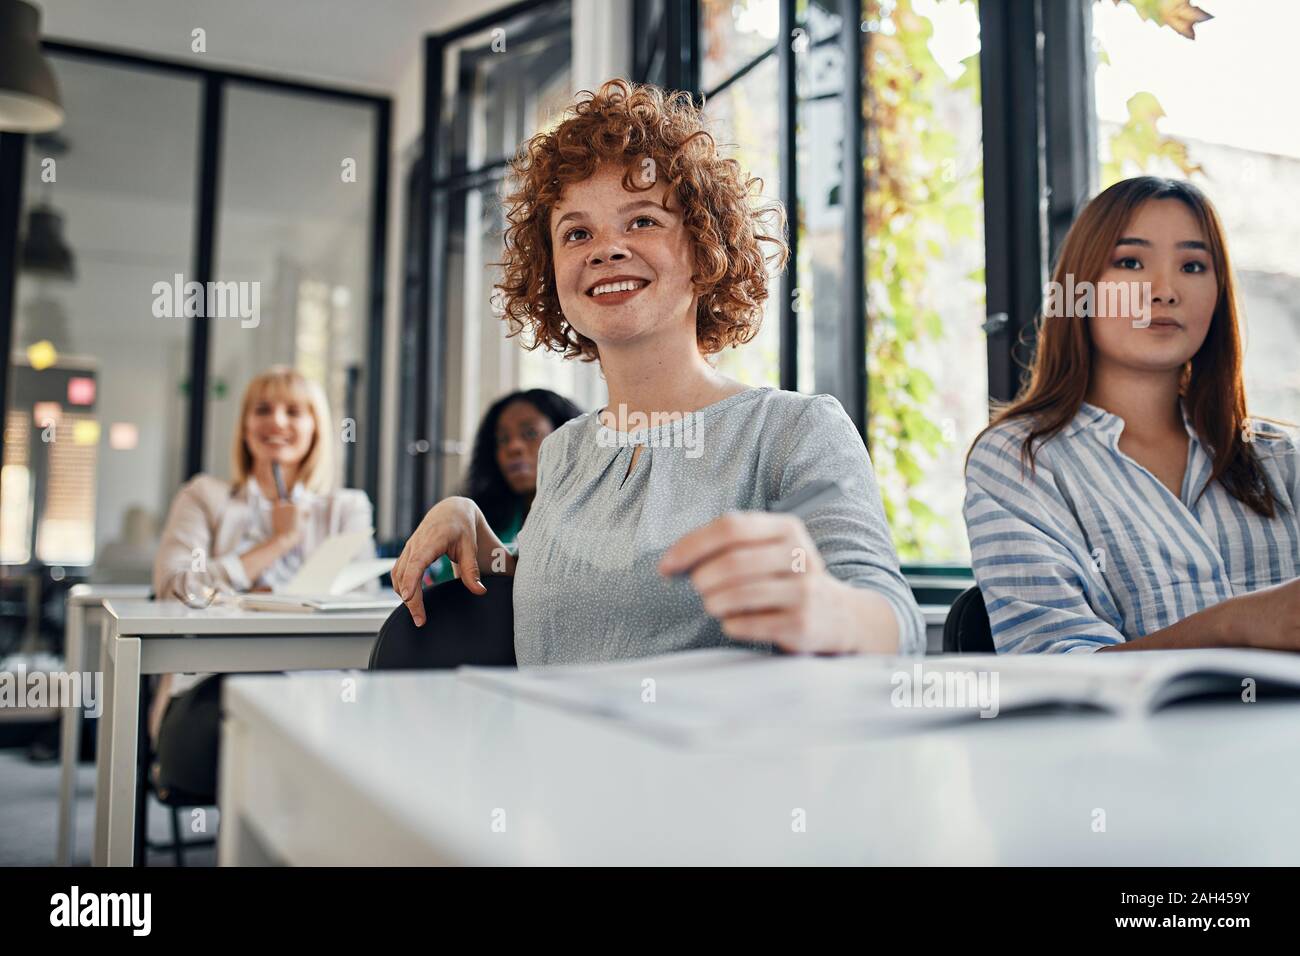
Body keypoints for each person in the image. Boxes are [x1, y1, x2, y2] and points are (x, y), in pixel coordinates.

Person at [391, 79, 925, 661]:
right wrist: (476, 533)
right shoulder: (564, 450)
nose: (606, 249)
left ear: (704, 249)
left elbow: (897, 626)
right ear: (551, 273)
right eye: (576, 233)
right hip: (548, 751)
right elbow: (578, 608)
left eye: (642, 221)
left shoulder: (792, 430)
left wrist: (832, 610)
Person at [964, 176, 1299, 654]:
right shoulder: (1020, 460)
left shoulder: (1277, 458)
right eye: (1130, 262)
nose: (1164, 291)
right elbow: (1053, 670)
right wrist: (1231, 627)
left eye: (1192, 265)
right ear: (1080, 291)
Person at [150, 366, 374, 798]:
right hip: (210, 686)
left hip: (317, 685)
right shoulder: (204, 496)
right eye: (263, 409)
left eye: (294, 411)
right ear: (244, 425)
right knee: (253, 734)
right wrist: (278, 542)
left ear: (316, 428)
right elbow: (176, 584)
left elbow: (361, 603)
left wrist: (245, 594)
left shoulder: (345, 508)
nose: (277, 422)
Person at [423, 389, 582, 586]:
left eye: (530, 433)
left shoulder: (589, 520)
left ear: (568, 440)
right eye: (503, 439)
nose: (514, 447)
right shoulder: (482, 517)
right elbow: (443, 591)